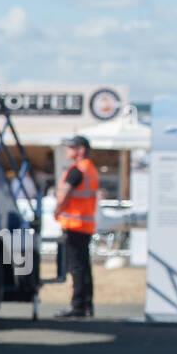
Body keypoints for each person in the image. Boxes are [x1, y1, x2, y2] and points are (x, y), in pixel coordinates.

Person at [52, 134, 99, 318]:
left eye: (71, 147)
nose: (67, 150)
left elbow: (64, 195)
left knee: (77, 267)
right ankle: (86, 305)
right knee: (84, 266)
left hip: (74, 224)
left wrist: (56, 210)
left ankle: (78, 306)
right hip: (85, 224)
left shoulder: (77, 170)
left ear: (81, 150)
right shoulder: (90, 169)